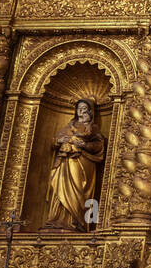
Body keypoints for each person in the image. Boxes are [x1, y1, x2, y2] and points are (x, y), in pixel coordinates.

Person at [43, 98, 105, 231]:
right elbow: (54, 142)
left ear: (90, 111)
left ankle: (76, 221)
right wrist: (60, 140)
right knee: (59, 189)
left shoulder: (92, 128)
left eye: (84, 109)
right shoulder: (70, 125)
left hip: (81, 163)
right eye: (79, 108)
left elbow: (98, 146)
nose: (81, 111)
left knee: (78, 190)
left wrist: (84, 144)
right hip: (64, 162)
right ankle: (57, 219)